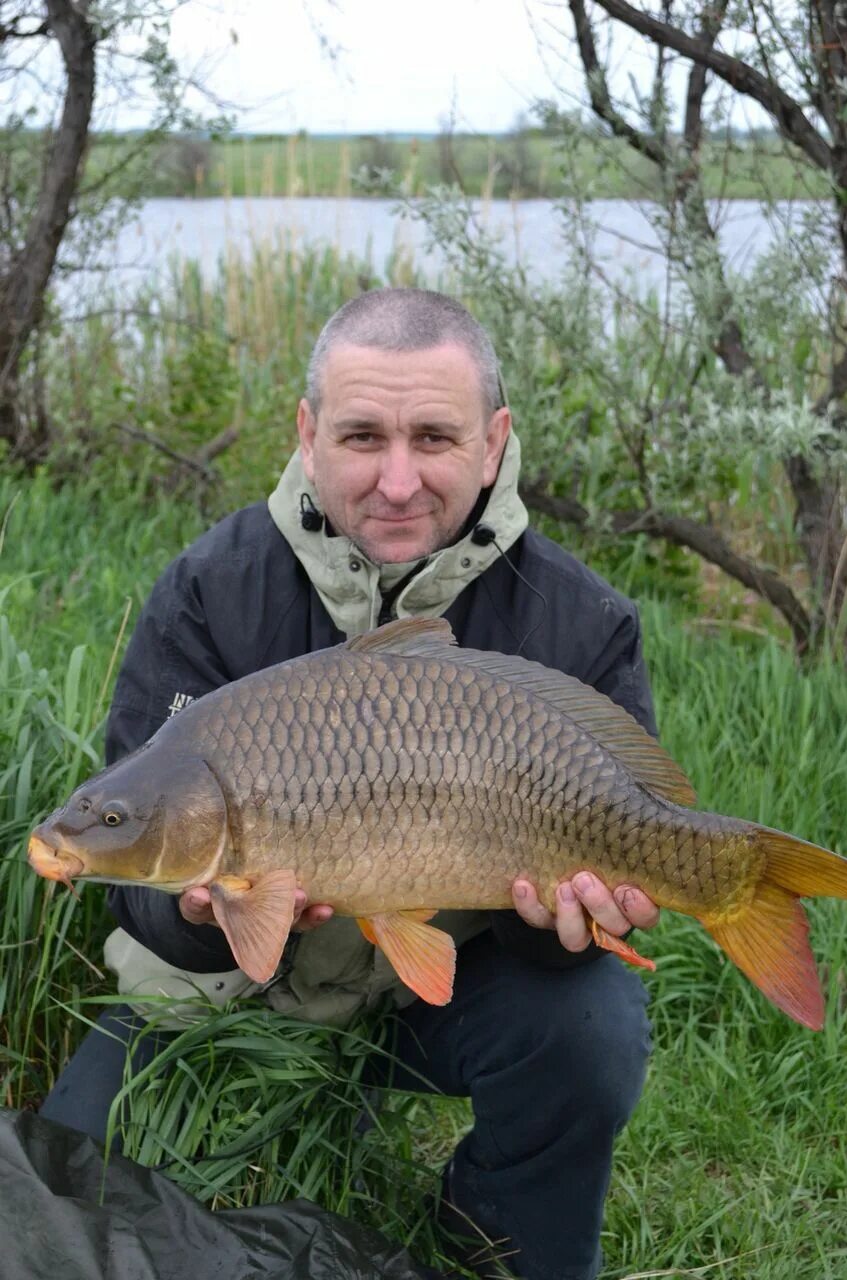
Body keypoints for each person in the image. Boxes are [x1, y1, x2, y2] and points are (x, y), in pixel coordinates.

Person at [41, 288, 661, 1280]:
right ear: (308, 432)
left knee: (588, 1021)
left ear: (494, 442)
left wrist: (564, 920)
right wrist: (205, 916)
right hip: (227, 995)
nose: (398, 479)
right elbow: (137, 878)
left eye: (435, 437)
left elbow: (615, 863)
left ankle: (492, 1227)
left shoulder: (579, 622)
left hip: (443, 996)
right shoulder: (209, 587)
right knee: (61, 1195)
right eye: (363, 435)